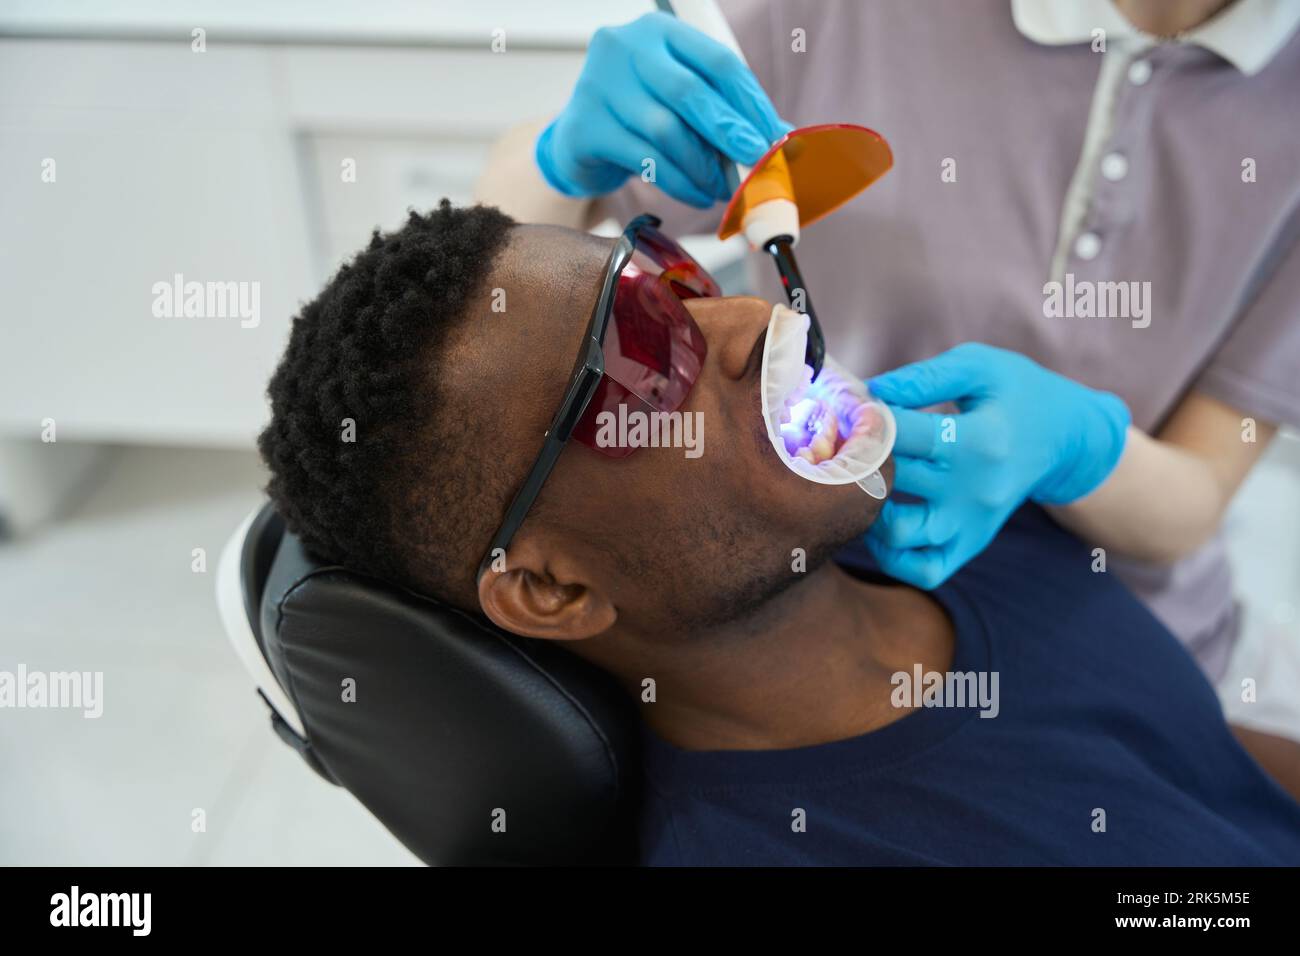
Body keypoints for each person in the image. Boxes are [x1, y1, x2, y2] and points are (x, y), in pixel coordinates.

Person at [256, 202, 1300, 864]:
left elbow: (1195, 769)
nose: (756, 324)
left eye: (672, 282)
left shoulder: (975, 530)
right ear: (554, 589)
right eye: (638, 360)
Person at [475, 0, 1300, 687]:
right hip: (817, 612)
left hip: (1136, 642)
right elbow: (502, 282)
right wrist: (556, 162)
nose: (742, 343)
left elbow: (1196, 495)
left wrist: (1082, 450)